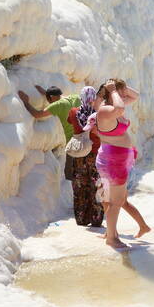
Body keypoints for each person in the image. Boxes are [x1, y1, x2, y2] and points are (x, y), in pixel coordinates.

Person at [93, 78, 151, 248]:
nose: (122, 95)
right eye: (119, 92)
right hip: (113, 163)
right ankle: (112, 238)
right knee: (115, 202)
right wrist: (112, 90)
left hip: (116, 161)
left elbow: (135, 96)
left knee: (113, 200)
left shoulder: (111, 107)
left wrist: (121, 88)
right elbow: (119, 108)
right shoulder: (105, 110)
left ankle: (111, 233)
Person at [66, 86, 103, 227]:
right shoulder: (98, 115)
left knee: (80, 186)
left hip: (80, 154)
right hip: (95, 155)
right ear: (93, 98)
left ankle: (82, 219)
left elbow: (70, 122)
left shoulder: (74, 112)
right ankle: (96, 218)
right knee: (96, 185)